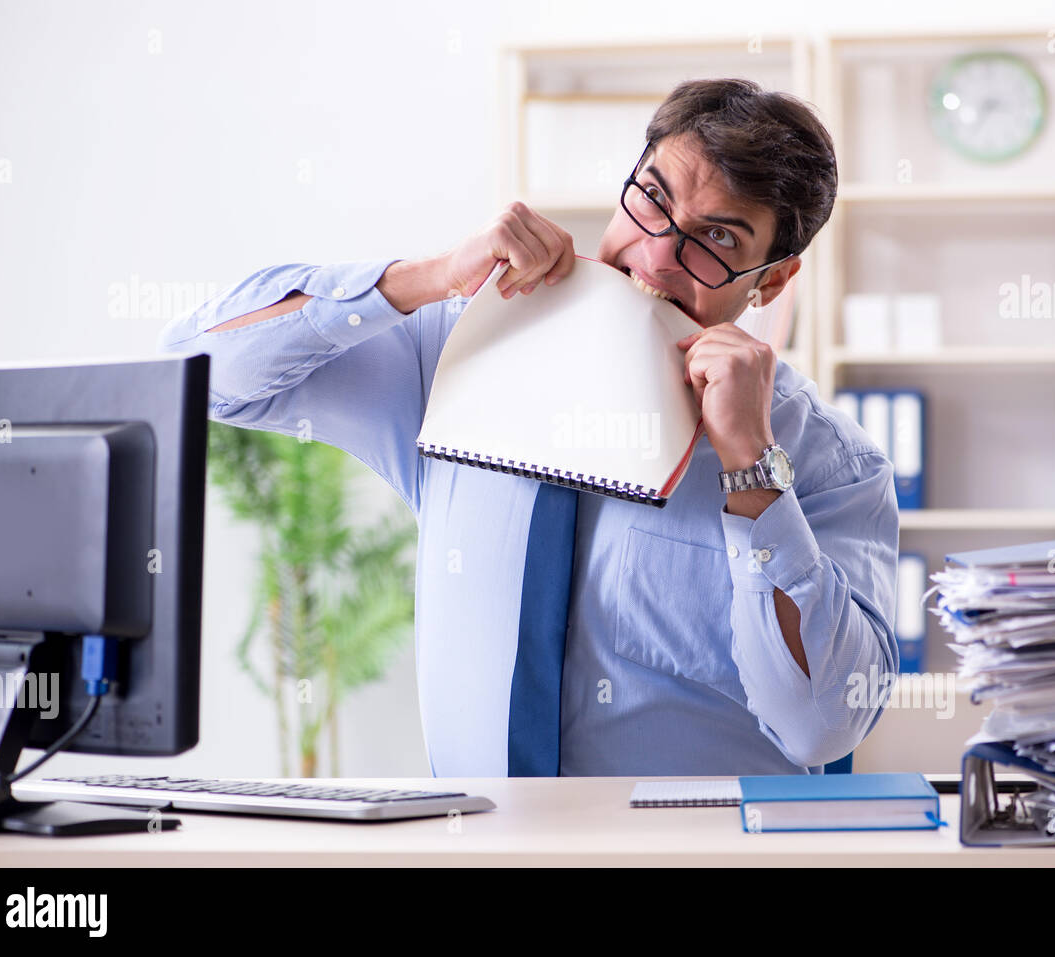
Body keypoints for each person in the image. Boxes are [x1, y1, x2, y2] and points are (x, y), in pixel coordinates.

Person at [157, 77, 899, 777]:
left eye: (719, 241)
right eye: (651, 199)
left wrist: (748, 463)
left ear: (772, 280)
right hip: (476, 841)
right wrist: (427, 278)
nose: (655, 256)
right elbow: (199, 371)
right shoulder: (458, 350)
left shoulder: (829, 463)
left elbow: (824, 726)